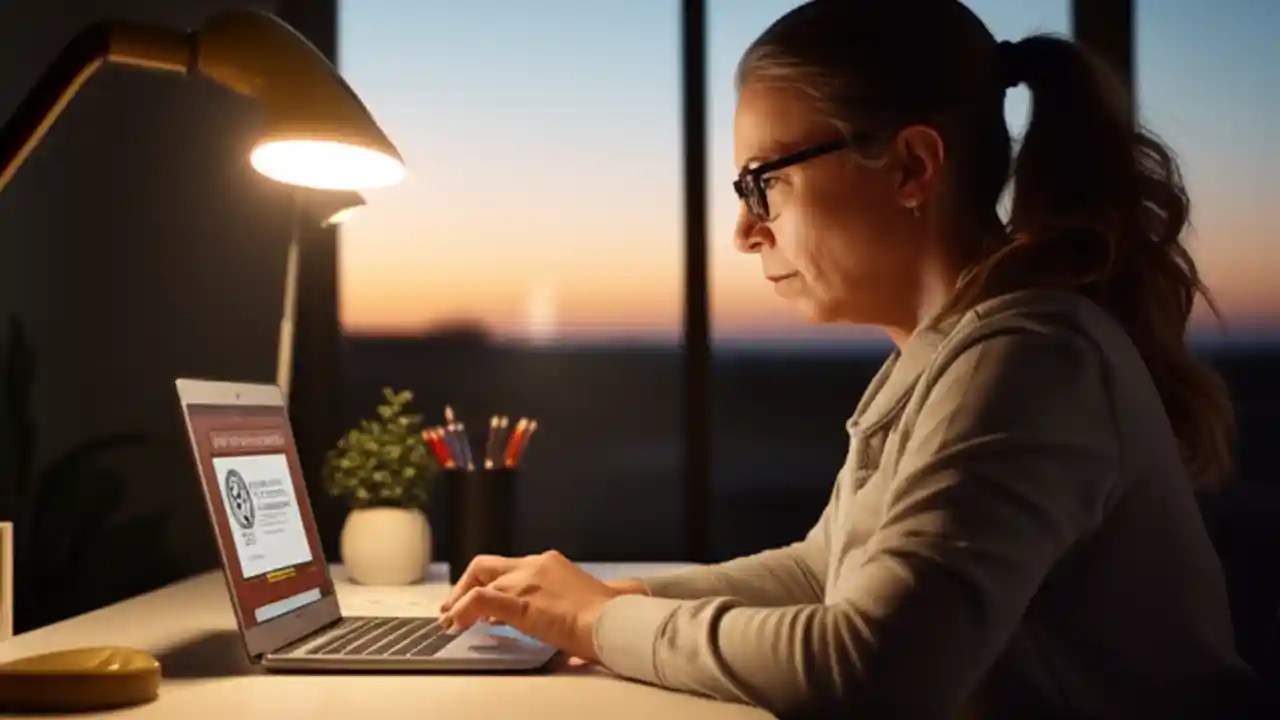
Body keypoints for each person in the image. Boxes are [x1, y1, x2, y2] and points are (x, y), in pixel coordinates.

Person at [437, 0, 1259, 716]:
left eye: (764, 181)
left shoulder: (1030, 360)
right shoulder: (946, 356)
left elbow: (869, 669)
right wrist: (619, 597)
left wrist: (595, 623)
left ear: (910, 165)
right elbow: (821, 571)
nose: (746, 231)